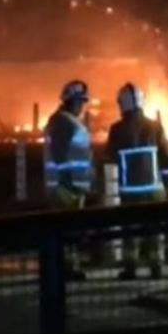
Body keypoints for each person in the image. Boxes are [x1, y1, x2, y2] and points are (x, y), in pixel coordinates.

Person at [107, 83, 168, 279]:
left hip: (130, 192)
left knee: (130, 232)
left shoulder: (117, 130)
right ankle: (156, 267)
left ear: (123, 104)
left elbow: (110, 156)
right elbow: (167, 157)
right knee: (154, 230)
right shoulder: (155, 126)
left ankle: (130, 268)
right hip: (155, 190)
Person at [43, 80, 94, 280]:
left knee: (69, 230)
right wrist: (70, 184)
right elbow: (60, 156)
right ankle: (67, 269)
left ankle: (66, 266)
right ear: (71, 102)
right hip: (66, 188)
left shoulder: (62, 121)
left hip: (69, 186)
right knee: (69, 230)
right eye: (80, 102)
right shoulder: (64, 123)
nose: (82, 106)